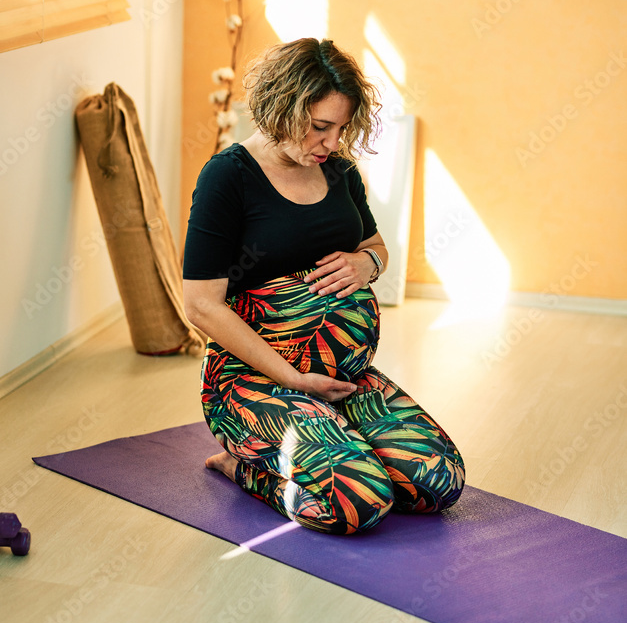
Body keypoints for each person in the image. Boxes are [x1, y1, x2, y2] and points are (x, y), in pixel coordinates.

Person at [182, 38, 465, 535]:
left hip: (340, 379)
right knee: (360, 501)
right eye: (320, 127)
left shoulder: (338, 171)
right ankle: (244, 466)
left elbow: (376, 246)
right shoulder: (227, 178)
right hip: (253, 382)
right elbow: (200, 305)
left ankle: (336, 440)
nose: (332, 143)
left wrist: (366, 264)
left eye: (341, 129)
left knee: (439, 481)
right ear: (281, 107)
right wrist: (293, 380)